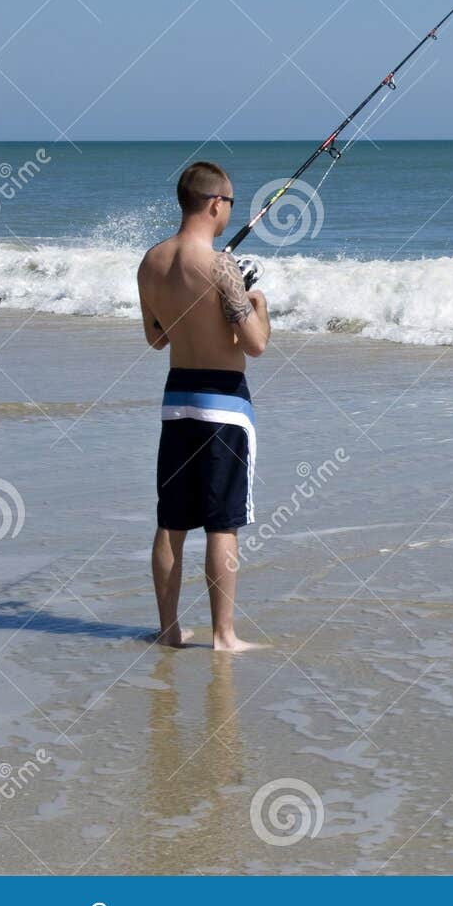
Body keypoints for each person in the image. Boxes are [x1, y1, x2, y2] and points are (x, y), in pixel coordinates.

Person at [136, 161, 270, 651]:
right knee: (222, 523)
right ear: (217, 204)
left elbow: (156, 338)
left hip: (177, 401)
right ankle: (223, 636)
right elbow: (254, 344)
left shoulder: (150, 262)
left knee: (171, 522)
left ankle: (169, 631)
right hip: (223, 407)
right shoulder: (220, 267)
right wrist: (257, 302)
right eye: (230, 204)